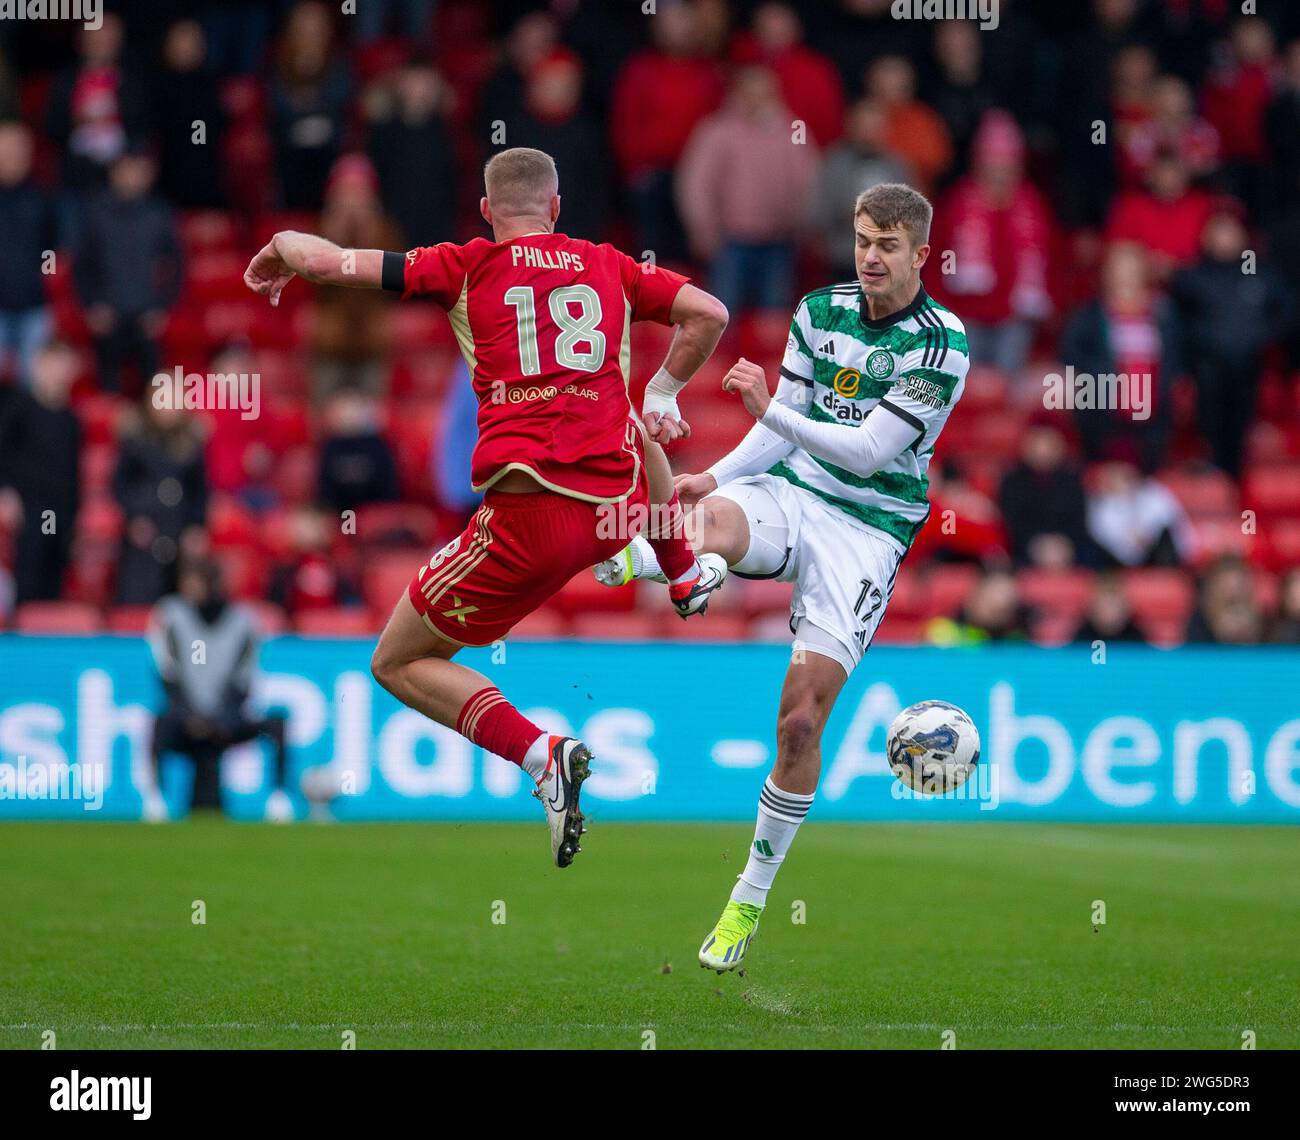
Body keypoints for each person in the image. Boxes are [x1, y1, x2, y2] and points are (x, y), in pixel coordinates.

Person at [244, 147, 729, 868]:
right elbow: (710, 314)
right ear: (556, 209)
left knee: (397, 660)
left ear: (485, 212)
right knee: (633, 423)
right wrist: (664, 391)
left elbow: (330, 263)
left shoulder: (462, 264)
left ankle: (540, 753)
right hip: (611, 507)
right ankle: (680, 570)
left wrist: (284, 247)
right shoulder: (611, 264)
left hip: (529, 519)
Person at [597, 183, 968, 973]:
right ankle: (660, 558)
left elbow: (867, 452)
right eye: (864, 239)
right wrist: (714, 473)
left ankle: (748, 900)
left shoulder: (942, 344)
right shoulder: (821, 309)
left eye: (888, 244)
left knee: (799, 725)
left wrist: (767, 410)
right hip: (794, 494)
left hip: (868, 532)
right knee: (713, 517)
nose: (870, 256)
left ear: (920, 254)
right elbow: (786, 438)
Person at [147, 557, 293, 820]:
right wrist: (193, 716)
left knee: (277, 724)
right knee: (159, 725)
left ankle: (278, 799)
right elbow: (167, 673)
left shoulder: (244, 621)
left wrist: (220, 718)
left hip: (228, 718)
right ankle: (155, 800)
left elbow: (244, 678)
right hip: (185, 717)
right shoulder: (169, 616)